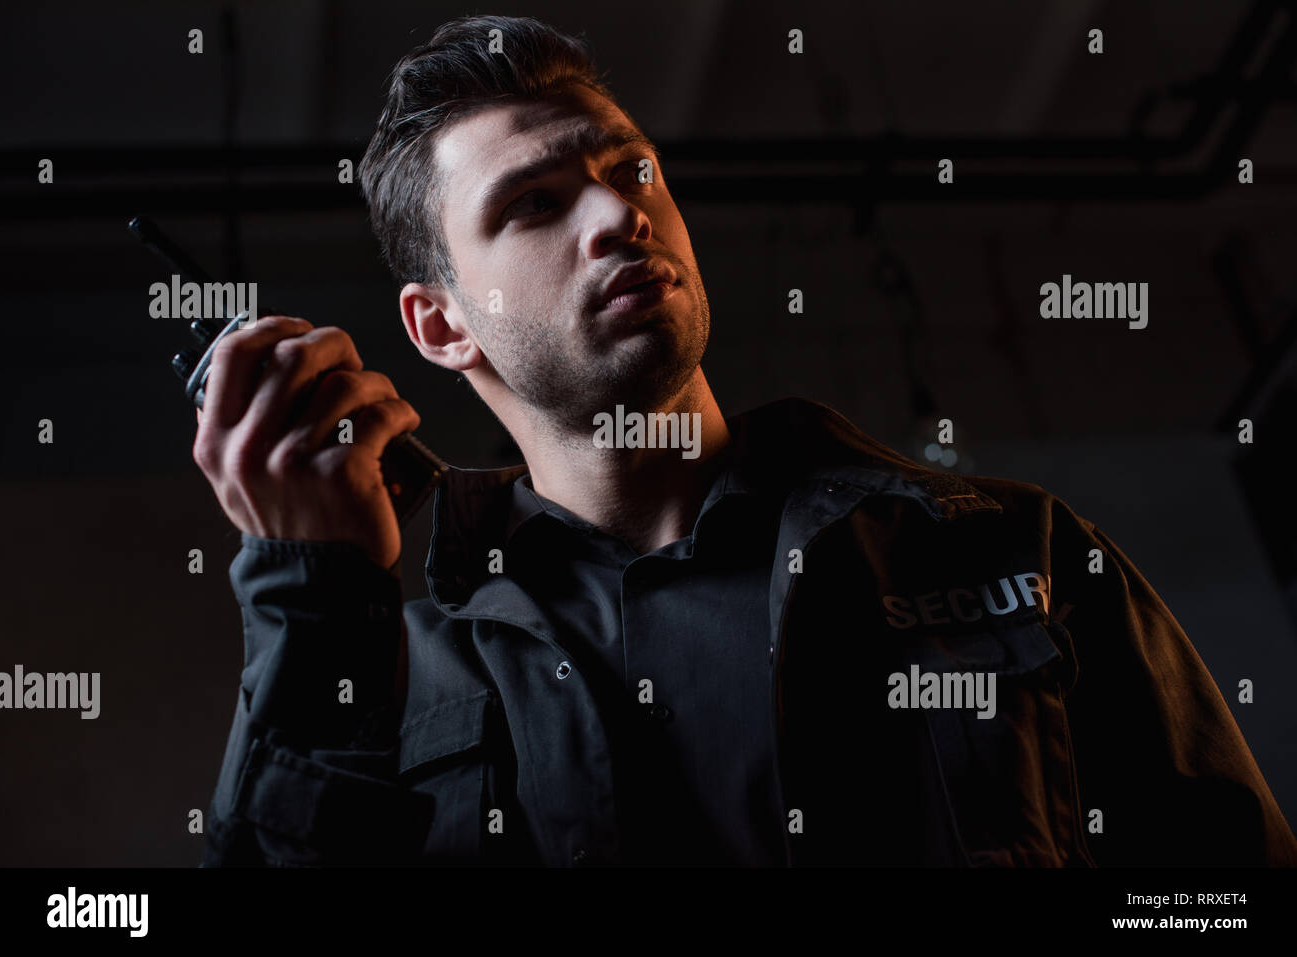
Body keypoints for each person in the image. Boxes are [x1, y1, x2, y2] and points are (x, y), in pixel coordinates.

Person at [195, 14, 1297, 867]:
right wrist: (313, 597)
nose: (614, 215)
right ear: (438, 324)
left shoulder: (1012, 554)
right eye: (531, 203)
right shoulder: (396, 673)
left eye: (627, 170)